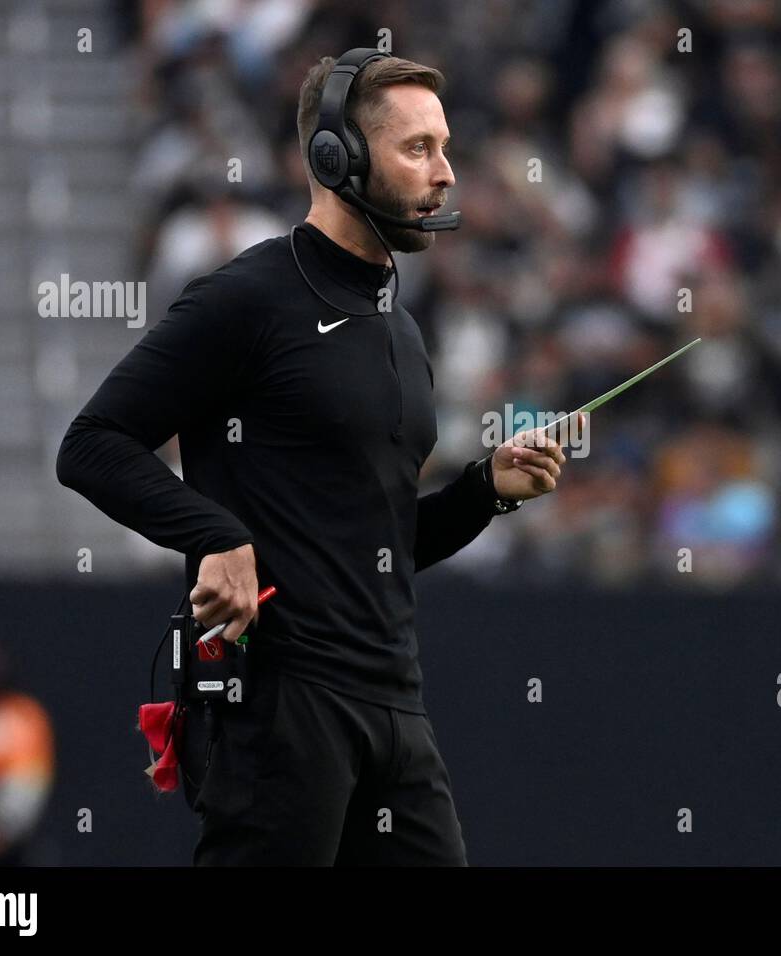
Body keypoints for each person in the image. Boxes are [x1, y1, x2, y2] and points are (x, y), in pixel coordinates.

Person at [56, 48, 584, 865]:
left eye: (444, 148)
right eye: (418, 149)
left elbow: (384, 540)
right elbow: (90, 444)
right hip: (281, 707)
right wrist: (213, 534)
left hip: (395, 709)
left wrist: (487, 490)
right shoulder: (248, 298)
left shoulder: (405, 332)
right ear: (335, 157)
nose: (446, 173)